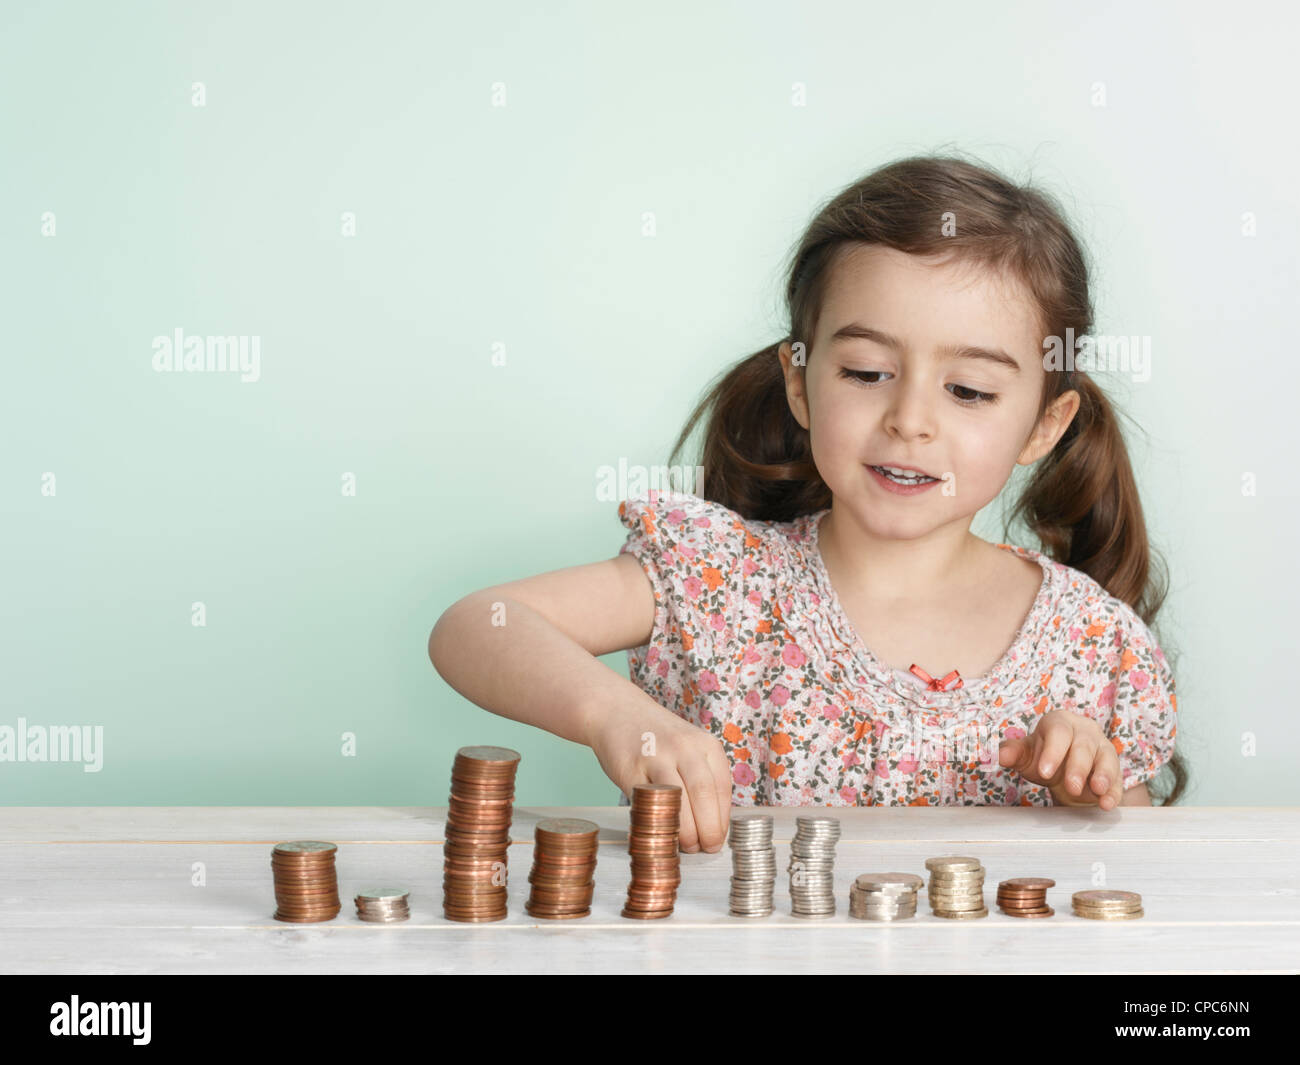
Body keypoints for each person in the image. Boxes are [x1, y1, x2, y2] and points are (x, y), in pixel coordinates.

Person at [429, 154, 1185, 854]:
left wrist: (1090, 792)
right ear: (800, 382)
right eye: (865, 372)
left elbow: (1139, 869)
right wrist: (614, 715)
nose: (910, 419)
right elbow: (475, 626)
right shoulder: (718, 581)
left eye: (969, 391)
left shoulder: (1093, 647)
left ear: (1043, 425)